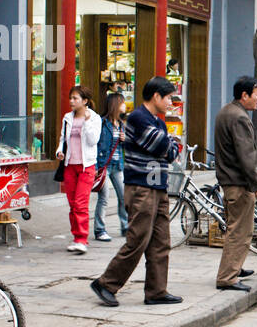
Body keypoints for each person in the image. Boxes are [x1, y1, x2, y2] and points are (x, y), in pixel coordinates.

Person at [90, 77, 183, 307]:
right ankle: (106, 283)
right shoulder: (139, 119)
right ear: (156, 96)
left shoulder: (157, 122)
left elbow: (171, 150)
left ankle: (156, 291)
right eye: (169, 97)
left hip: (158, 187)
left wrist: (170, 145)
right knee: (138, 240)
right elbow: (166, 149)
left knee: (161, 242)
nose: (171, 102)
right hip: (142, 187)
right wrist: (170, 145)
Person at [213, 76, 257, 293]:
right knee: (240, 231)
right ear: (245, 95)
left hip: (229, 180)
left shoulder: (226, 111)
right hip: (238, 182)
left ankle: (235, 267)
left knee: (236, 228)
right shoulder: (239, 117)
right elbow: (246, 156)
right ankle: (228, 276)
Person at [58, 85, 102, 254]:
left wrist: (86, 121)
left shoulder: (95, 118)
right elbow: (63, 139)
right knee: (72, 204)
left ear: (85, 101)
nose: (71, 101)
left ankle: (82, 239)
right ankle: (76, 236)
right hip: (70, 165)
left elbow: (93, 141)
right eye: (71, 98)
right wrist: (59, 151)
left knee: (81, 204)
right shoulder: (67, 117)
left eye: (75, 98)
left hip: (86, 165)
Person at [93, 92, 128, 242]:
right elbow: (94, 146)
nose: (125, 105)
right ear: (115, 105)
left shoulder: (121, 125)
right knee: (104, 197)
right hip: (104, 166)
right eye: (122, 103)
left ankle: (126, 226)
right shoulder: (101, 123)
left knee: (124, 196)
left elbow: (126, 146)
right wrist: (95, 167)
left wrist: (125, 140)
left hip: (117, 165)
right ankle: (99, 229)